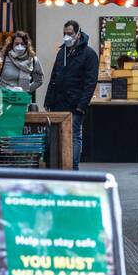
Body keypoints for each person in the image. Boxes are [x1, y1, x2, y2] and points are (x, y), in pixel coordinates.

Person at [44, 20, 98, 167]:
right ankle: (59, 164)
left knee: (74, 136)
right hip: (58, 102)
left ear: (78, 34)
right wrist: (48, 101)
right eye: (65, 33)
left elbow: (90, 82)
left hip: (75, 104)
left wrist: (82, 105)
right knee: (57, 136)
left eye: (70, 34)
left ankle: (73, 166)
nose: (67, 36)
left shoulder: (89, 54)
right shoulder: (62, 52)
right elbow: (54, 77)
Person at [0, 31, 43, 102]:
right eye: (17, 44)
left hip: (22, 100)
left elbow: (39, 80)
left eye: (22, 44)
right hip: (4, 99)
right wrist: (2, 88)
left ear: (27, 45)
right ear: (12, 45)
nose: (19, 46)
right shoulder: (4, 58)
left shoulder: (32, 60)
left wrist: (26, 89)